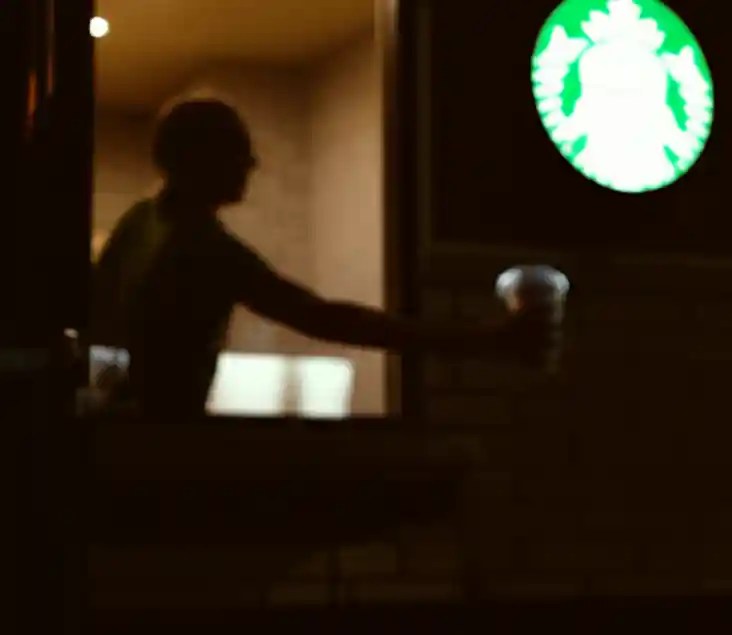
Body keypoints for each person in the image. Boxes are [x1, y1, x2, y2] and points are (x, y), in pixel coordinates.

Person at [90, 98, 553, 418]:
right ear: (202, 157)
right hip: (160, 438)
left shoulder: (141, 223)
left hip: (118, 426)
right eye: (239, 150)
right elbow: (324, 319)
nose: (251, 163)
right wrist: (485, 341)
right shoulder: (204, 248)